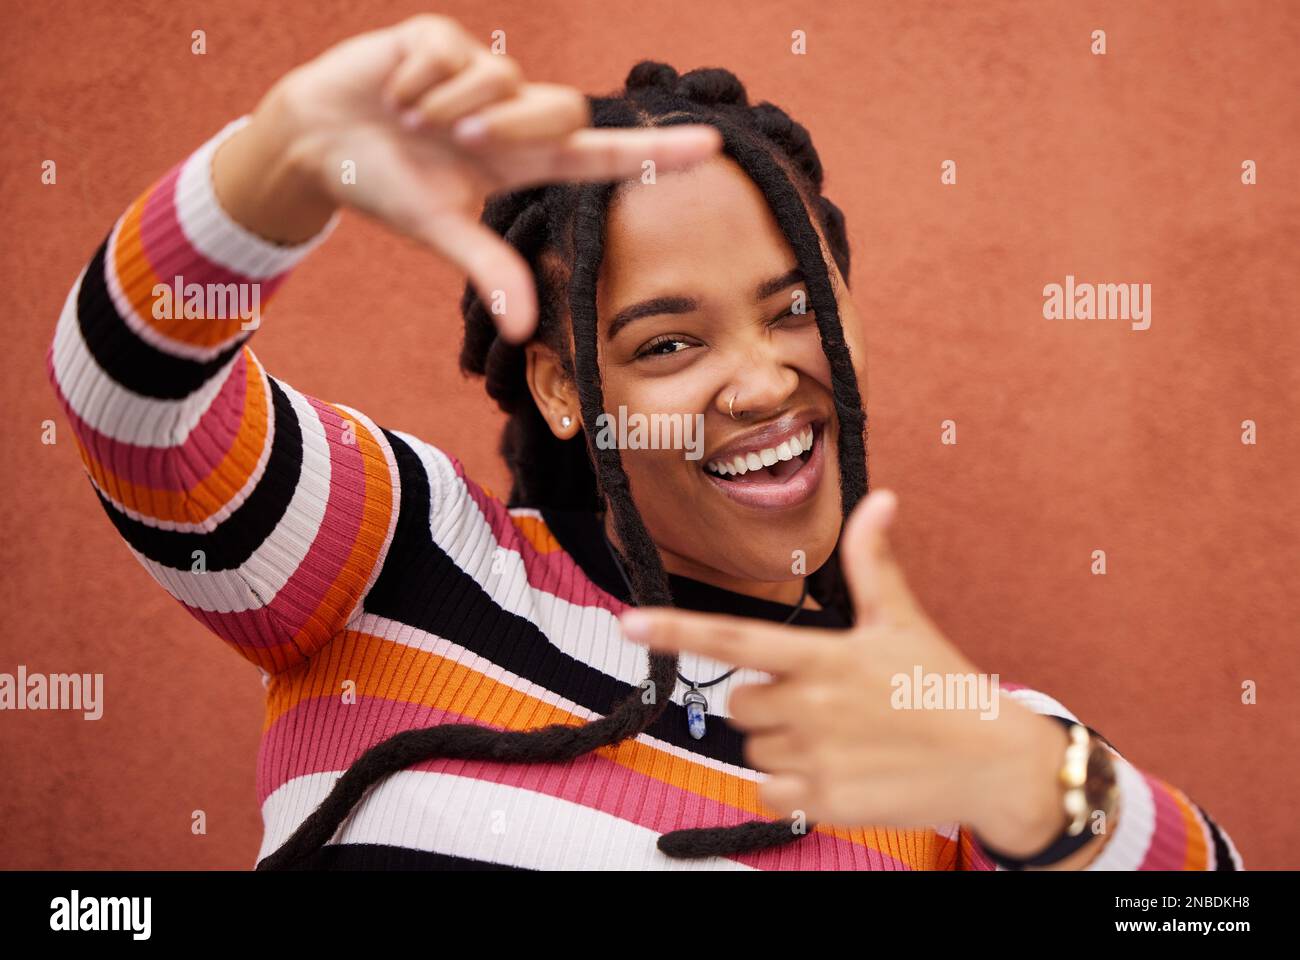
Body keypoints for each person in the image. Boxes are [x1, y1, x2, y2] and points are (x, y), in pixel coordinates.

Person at [46, 13, 1241, 870]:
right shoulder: (399, 565)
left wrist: (1037, 788)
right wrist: (277, 168)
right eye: (669, 344)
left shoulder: (942, 728)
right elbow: (137, 411)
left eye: (794, 309)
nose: (765, 378)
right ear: (564, 386)